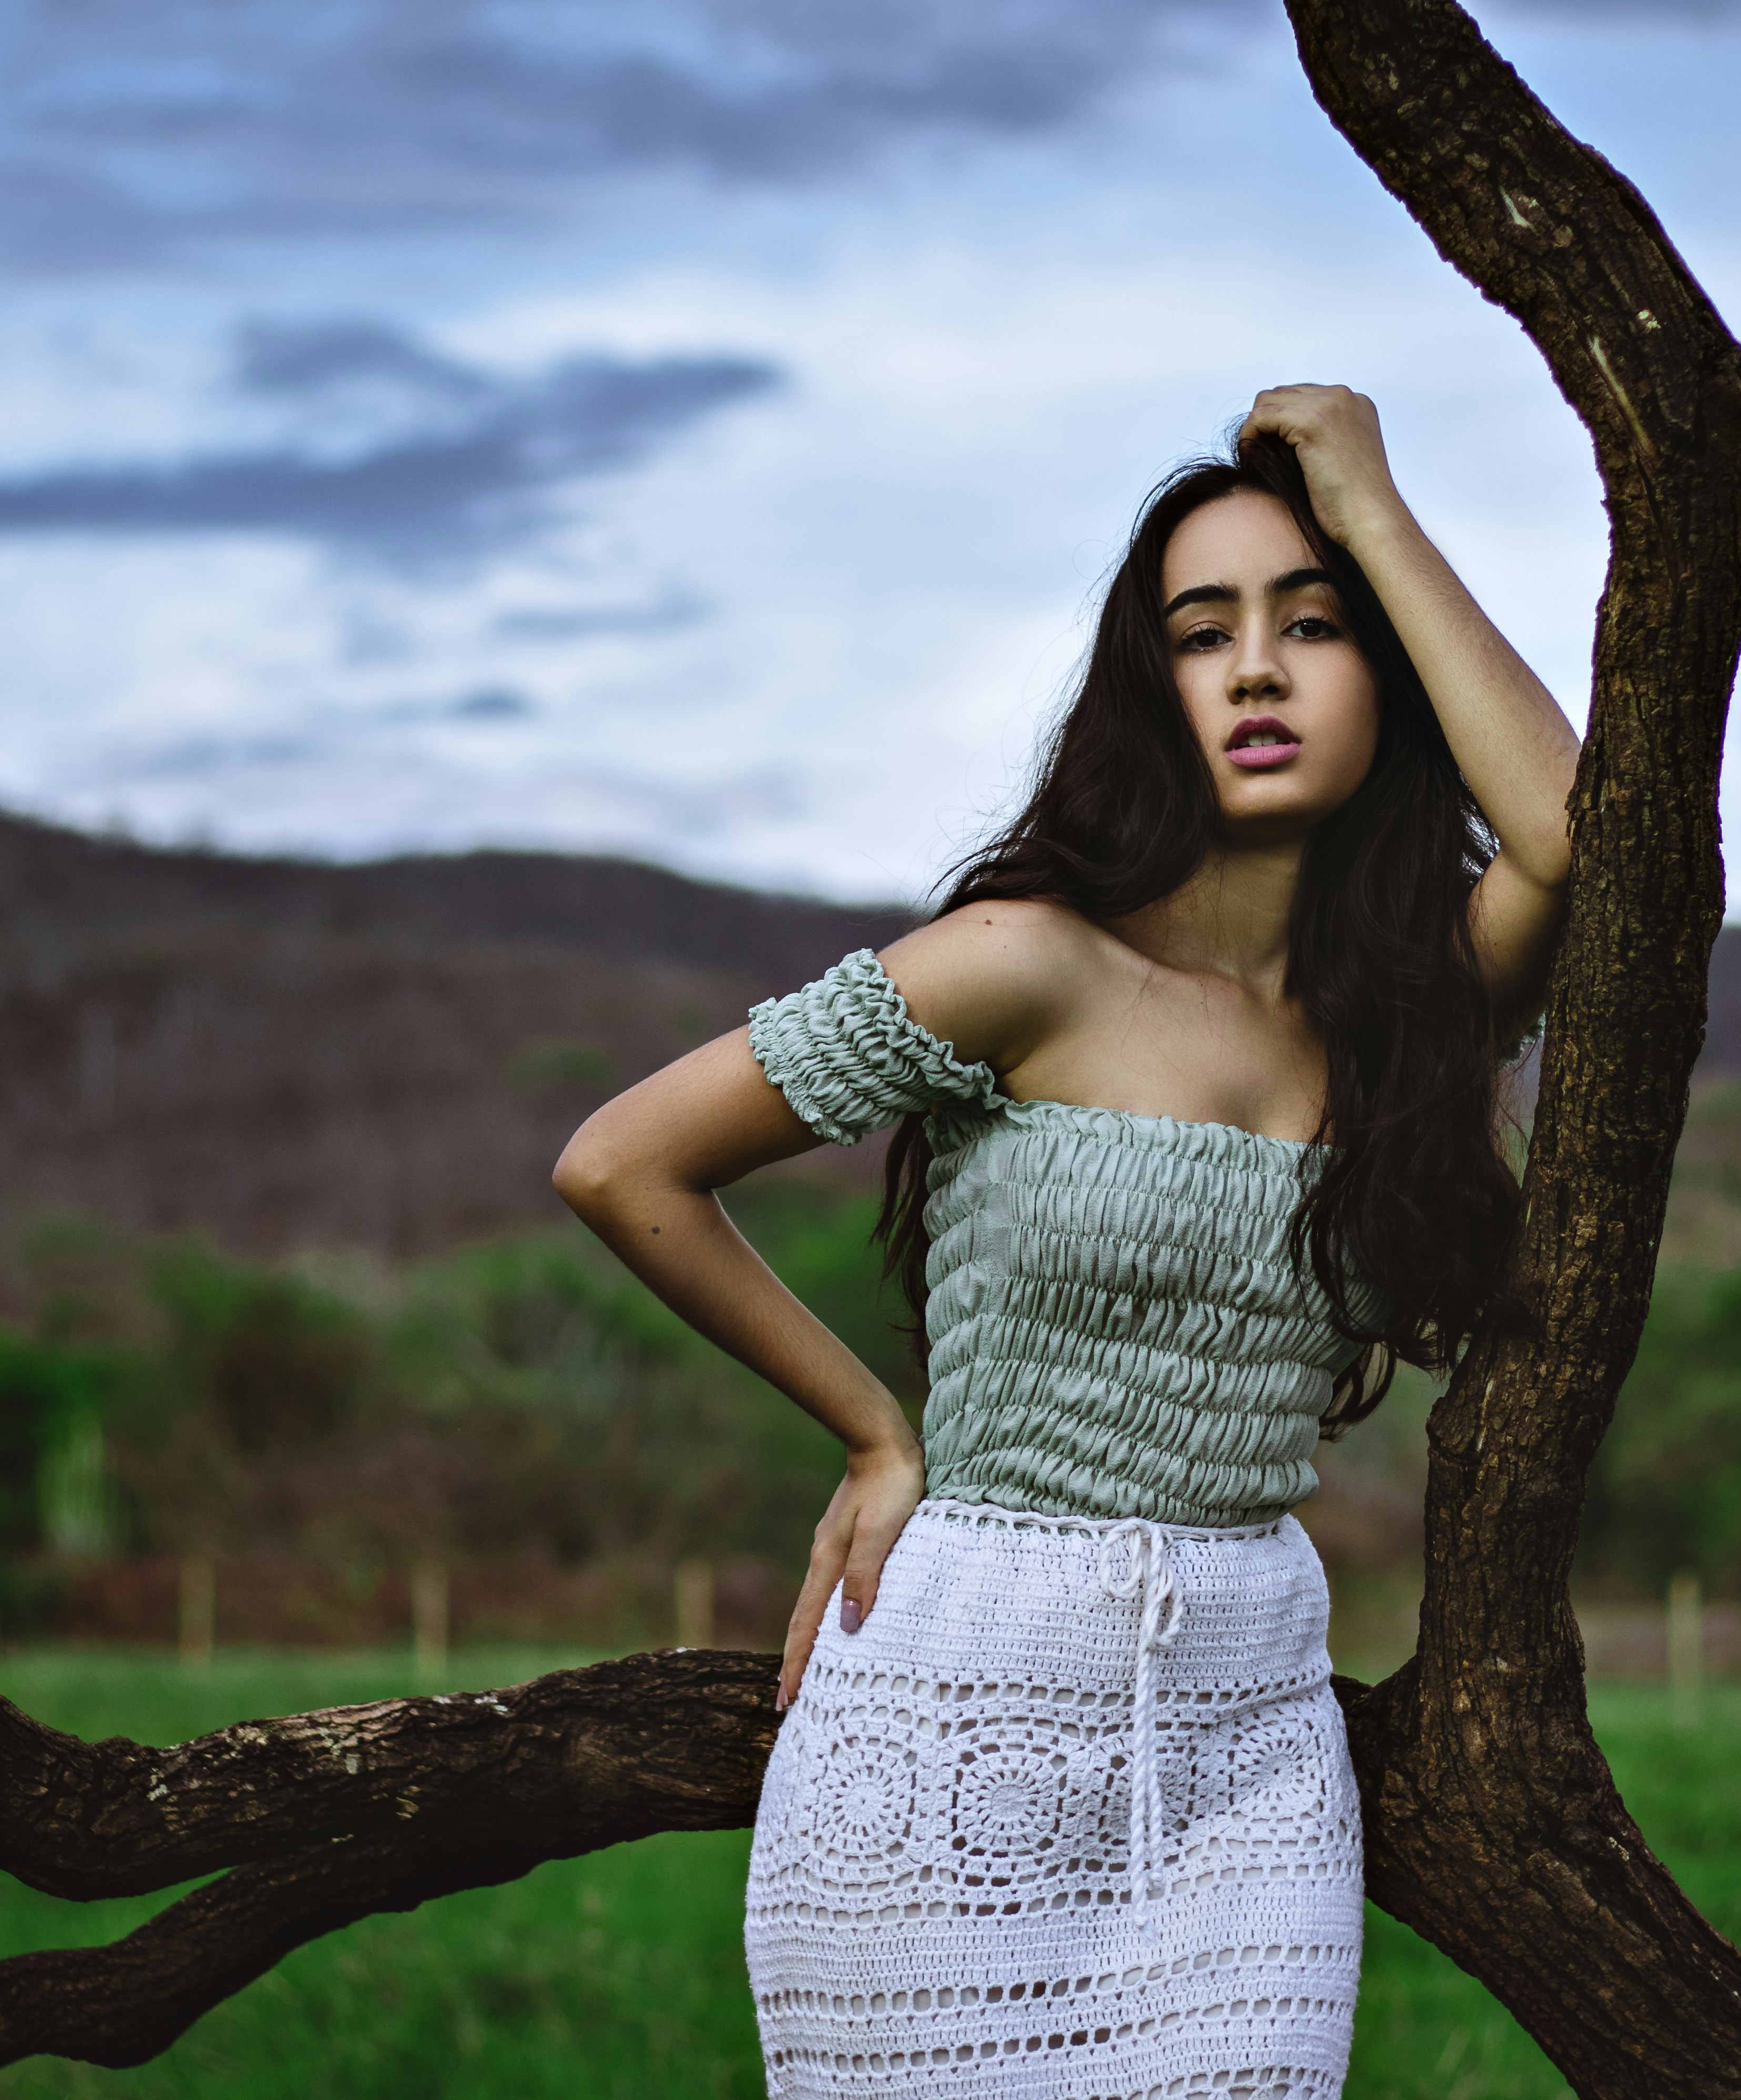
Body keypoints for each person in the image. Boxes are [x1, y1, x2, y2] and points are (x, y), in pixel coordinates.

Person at [554, 384, 1578, 2097]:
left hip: (1250, 1731)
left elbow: (1575, 834)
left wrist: (1373, 508)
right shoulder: (1025, 964)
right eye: (1204, 634)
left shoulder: (1410, 1016)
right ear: (1147, 688)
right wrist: (878, 1437)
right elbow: (622, 1164)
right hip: (952, 1694)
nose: (1257, 672)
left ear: (1390, 675)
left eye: (1313, 625)